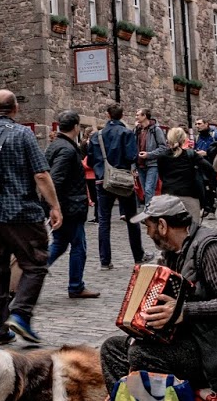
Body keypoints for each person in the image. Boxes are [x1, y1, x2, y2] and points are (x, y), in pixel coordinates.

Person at [100, 196, 217, 391]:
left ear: (162, 225)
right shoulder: (174, 254)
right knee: (113, 349)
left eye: (148, 226)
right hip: (197, 340)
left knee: (141, 354)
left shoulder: (212, 249)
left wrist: (182, 312)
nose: (147, 233)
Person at [0, 91, 63, 345]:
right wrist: (54, 205)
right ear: (15, 109)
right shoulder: (22, 134)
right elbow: (41, 174)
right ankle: (20, 313)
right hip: (20, 212)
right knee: (35, 262)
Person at [45, 111, 99, 300]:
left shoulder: (56, 145)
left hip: (66, 204)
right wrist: (55, 207)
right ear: (76, 127)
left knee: (59, 244)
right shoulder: (66, 150)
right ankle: (75, 286)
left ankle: (31, 275)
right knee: (78, 246)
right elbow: (56, 179)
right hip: (69, 206)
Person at [92, 103, 148, 267]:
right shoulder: (126, 133)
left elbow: (92, 157)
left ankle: (105, 260)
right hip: (122, 179)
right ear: (121, 116)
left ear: (108, 115)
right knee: (132, 218)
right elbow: (132, 156)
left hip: (103, 180)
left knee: (104, 221)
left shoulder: (98, 136)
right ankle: (138, 255)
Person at [157, 127, 217, 223]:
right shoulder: (191, 155)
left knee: (172, 227)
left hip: (169, 194)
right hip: (189, 195)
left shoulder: (162, 156)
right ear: (183, 140)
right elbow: (210, 169)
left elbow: (161, 175)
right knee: (192, 228)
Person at [134, 108, 168, 200]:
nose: (136, 117)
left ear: (144, 116)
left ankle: (149, 213)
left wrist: (148, 154)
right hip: (140, 164)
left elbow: (163, 148)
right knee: (145, 191)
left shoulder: (156, 130)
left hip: (152, 164)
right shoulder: (137, 130)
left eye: (138, 115)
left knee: (149, 189)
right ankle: (150, 209)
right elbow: (134, 147)